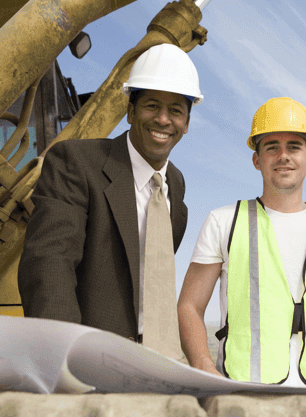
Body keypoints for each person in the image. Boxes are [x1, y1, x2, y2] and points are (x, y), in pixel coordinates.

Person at [19, 44, 200, 362]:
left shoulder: (177, 183)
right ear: (130, 112)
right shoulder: (75, 162)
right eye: (152, 105)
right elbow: (50, 263)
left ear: (186, 123)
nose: (162, 119)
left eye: (175, 110)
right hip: (92, 358)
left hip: (159, 359)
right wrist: (65, 356)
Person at [173, 97, 306, 386]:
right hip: (248, 393)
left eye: (294, 146)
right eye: (272, 147)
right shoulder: (224, 221)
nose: (283, 155)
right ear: (257, 160)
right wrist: (203, 366)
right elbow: (189, 306)